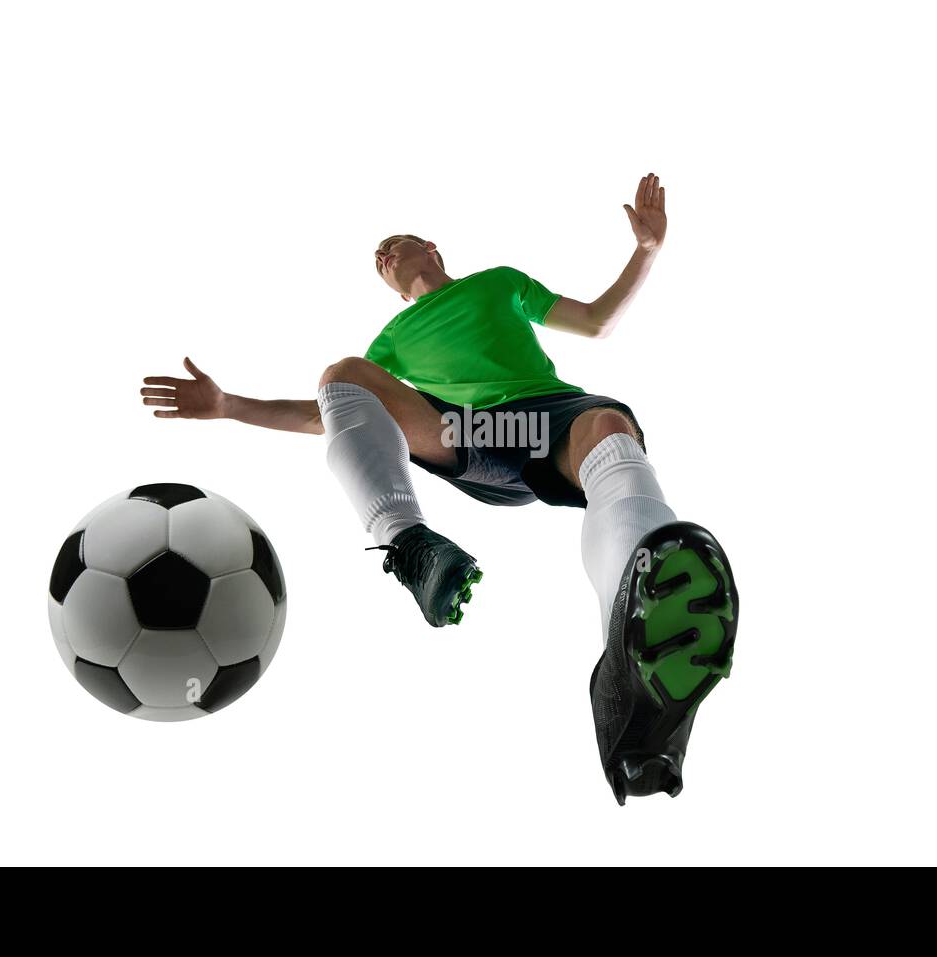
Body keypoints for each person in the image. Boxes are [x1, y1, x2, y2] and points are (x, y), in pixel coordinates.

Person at [140, 174, 738, 804]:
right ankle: (411, 546)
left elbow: (595, 322)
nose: (383, 256)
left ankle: (644, 604)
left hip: (549, 415)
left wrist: (646, 250)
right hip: (469, 433)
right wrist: (230, 404)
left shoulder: (499, 284)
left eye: (394, 245)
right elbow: (329, 412)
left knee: (610, 428)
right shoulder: (394, 340)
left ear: (432, 247)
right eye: (377, 260)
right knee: (344, 374)